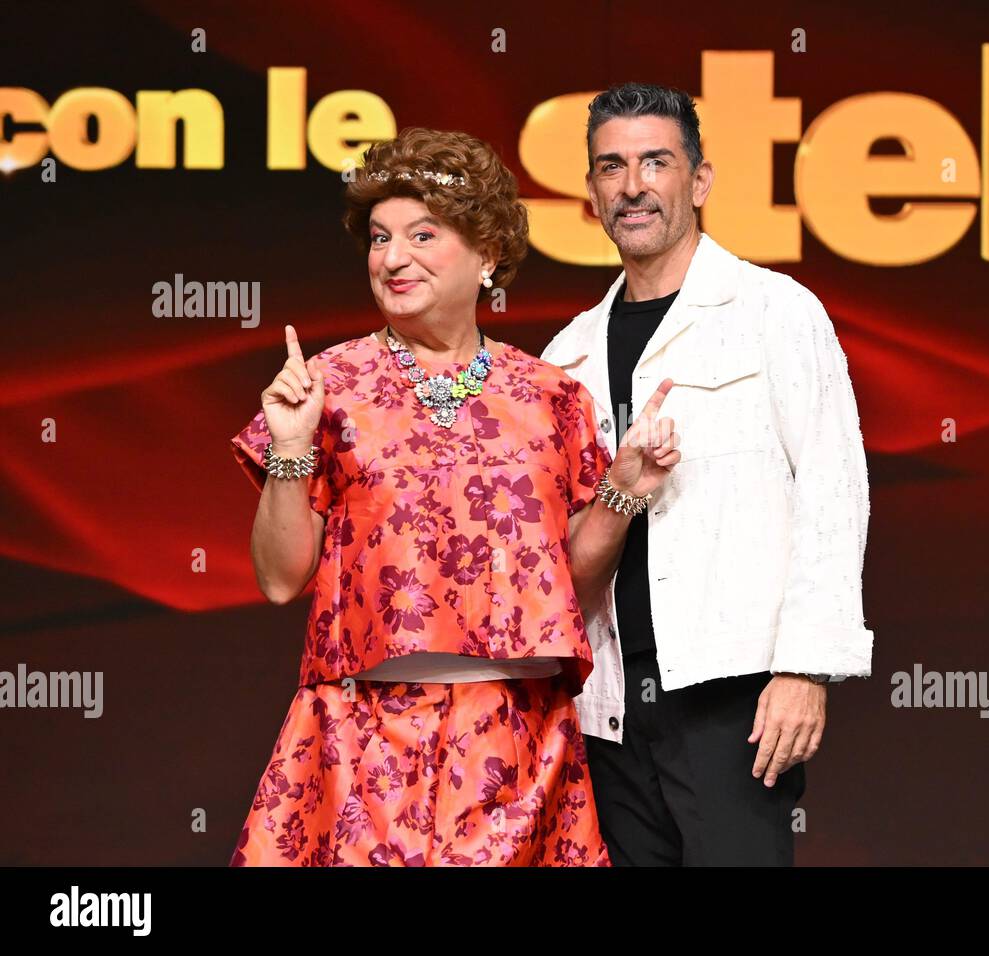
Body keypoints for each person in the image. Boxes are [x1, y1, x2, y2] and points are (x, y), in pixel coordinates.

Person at [227, 127, 679, 866]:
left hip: (515, 741)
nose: (392, 259)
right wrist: (288, 448)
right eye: (379, 239)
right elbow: (280, 579)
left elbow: (569, 588)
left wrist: (622, 491)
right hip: (359, 741)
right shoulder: (327, 385)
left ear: (488, 252)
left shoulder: (550, 398)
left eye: (422, 235)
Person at [541, 83, 875, 866]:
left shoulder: (774, 311)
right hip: (609, 707)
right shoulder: (567, 354)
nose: (633, 185)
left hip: (733, 694)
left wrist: (805, 667)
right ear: (592, 193)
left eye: (656, 162)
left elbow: (835, 493)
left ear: (699, 180)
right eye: (611, 167)